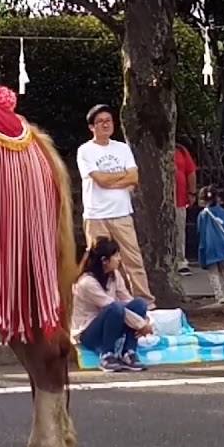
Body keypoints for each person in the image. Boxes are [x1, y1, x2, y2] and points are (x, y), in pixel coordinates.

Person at [76, 104, 151, 306]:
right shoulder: (85, 150)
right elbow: (100, 179)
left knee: (133, 260)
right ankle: (101, 302)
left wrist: (112, 179)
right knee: (100, 261)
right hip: (96, 215)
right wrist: (121, 177)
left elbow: (134, 176)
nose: (105, 125)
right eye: (100, 122)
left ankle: (145, 301)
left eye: (108, 120)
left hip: (122, 213)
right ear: (92, 126)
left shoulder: (122, 148)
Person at [70, 236, 151, 373]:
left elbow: (127, 300)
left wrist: (144, 319)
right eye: (116, 256)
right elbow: (109, 305)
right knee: (115, 308)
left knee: (139, 304)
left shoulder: (115, 275)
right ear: (104, 261)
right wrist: (141, 324)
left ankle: (128, 352)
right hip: (88, 331)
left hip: (112, 321)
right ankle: (107, 355)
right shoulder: (87, 283)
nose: (119, 259)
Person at [195, 185, 224, 305]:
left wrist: (201, 250)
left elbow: (200, 232)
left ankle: (219, 295)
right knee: (222, 267)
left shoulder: (202, 215)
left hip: (210, 246)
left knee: (213, 271)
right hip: (223, 244)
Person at [174, 140, 198, 276]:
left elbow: (191, 171)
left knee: (179, 230)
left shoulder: (180, 150)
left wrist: (192, 192)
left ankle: (181, 261)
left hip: (179, 199)